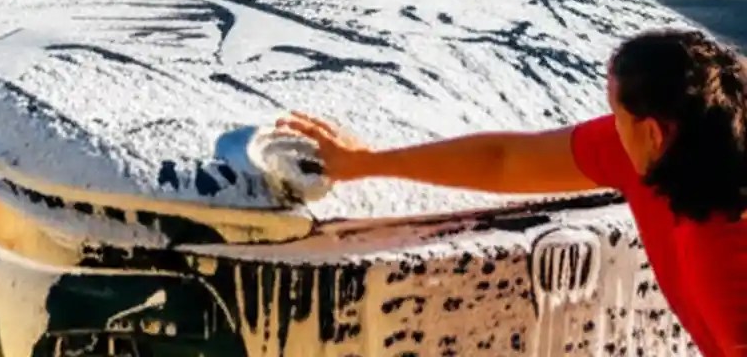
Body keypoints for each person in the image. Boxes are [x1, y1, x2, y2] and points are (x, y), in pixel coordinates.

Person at [279, 28, 747, 357]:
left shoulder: (721, 247)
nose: (611, 125)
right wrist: (368, 163)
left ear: (654, 133)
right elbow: (505, 159)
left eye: (616, 112)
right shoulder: (661, 148)